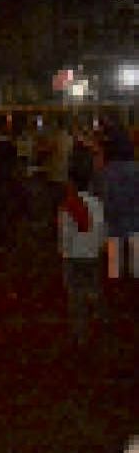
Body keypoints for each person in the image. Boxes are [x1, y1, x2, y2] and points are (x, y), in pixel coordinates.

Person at [58, 170, 105, 347]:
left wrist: (63, 253)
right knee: (92, 287)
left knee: (75, 296)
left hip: (75, 255)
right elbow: (101, 228)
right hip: (92, 253)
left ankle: (80, 334)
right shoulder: (97, 204)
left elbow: (65, 235)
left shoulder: (69, 205)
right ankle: (97, 320)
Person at [95, 127, 139, 283]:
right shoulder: (136, 169)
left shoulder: (106, 173)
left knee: (114, 273)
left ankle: (117, 298)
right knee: (136, 272)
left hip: (113, 226)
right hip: (136, 225)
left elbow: (103, 201)